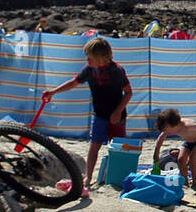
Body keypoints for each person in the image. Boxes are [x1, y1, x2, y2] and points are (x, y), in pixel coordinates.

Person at [42, 36, 132, 188]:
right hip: (99, 115)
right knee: (94, 145)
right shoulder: (89, 70)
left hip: (117, 116)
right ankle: (88, 177)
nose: (87, 60)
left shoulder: (117, 71)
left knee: (117, 147)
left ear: (102, 58)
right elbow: (73, 82)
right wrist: (53, 92)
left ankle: (117, 177)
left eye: (90, 57)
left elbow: (128, 93)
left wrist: (117, 112)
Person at [152, 108, 196, 190]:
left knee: (192, 161)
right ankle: (185, 182)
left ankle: (195, 184)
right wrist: (156, 153)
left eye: (166, 129)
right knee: (180, 160)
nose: (165, 132)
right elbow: (161, 138)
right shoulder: (171, 127)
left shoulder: (189, 126)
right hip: (188, 142)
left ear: (174, 125)